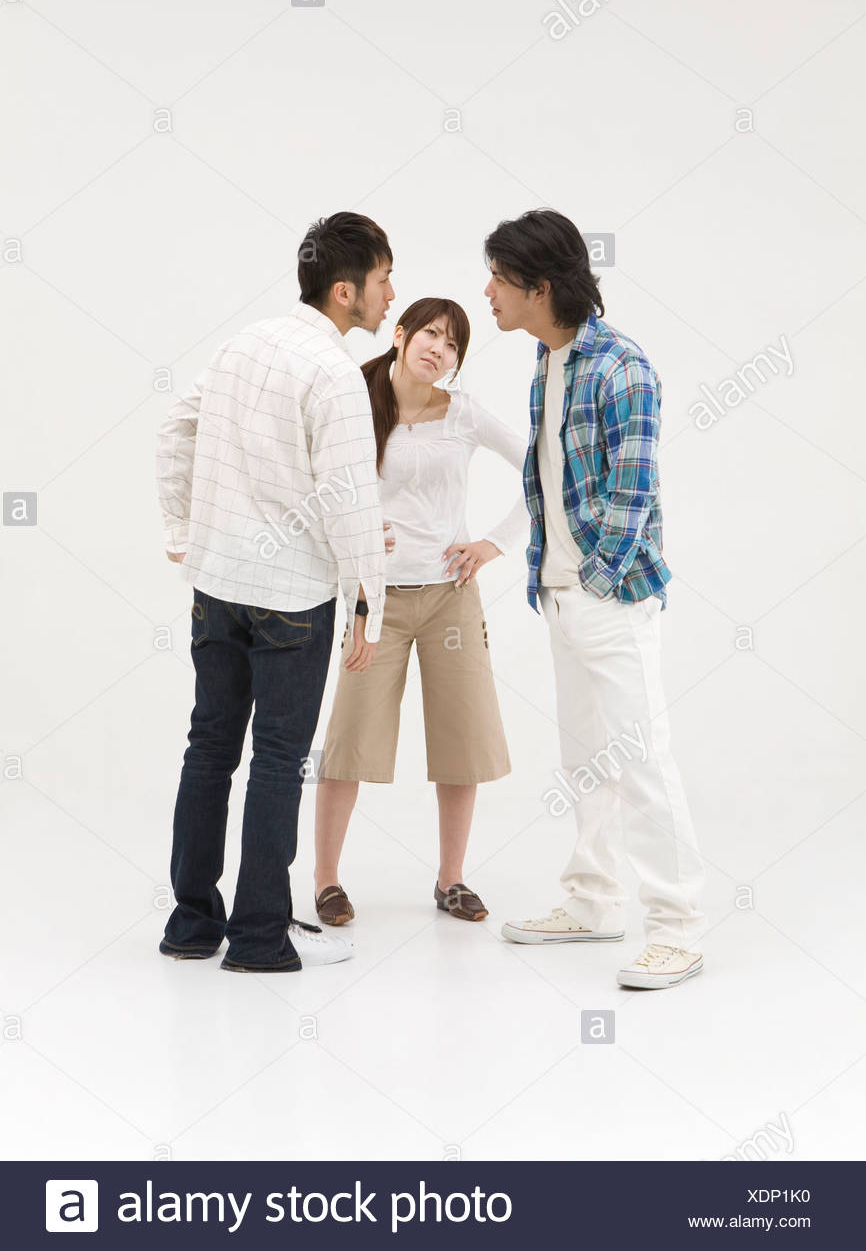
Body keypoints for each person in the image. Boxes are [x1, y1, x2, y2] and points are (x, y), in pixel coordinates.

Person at [155, 211, 395, 973]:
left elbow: (174, 431)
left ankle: (192, 926)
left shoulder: (242, 343)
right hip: (292, 598)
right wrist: (370, 604)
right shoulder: (335, 375)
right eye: (385, 281)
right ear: (345, 290)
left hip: (217, 583)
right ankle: (260, 938)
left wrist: (180, 530)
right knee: (278, 758)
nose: (392, 297)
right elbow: (351, 498)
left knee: (209, 748)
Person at [487, 209, 707, 990]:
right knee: (585, 760)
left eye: (500, 280)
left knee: (639, 758)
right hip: (561, 595)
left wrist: (594, 585)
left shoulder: (622, 367)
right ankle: (593, 901)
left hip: (607, 598)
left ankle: (678, 925)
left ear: (539, 286)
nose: (488, 293)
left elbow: (633, 493)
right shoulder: (550, 362)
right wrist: (553, 584)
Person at [313, 297, 526, 926]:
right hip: (374, 599)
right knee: (350, 741)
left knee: (463, 741)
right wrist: (351, 562)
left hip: (450, 598)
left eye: (454, 344)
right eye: (432, 333)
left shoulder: (464, 415)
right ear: (401, 333)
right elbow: (318, 487)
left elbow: (541, 467)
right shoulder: (354, 401)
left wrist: (493, 543)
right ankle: (326, 881)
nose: (441, 349)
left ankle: (451, 880)